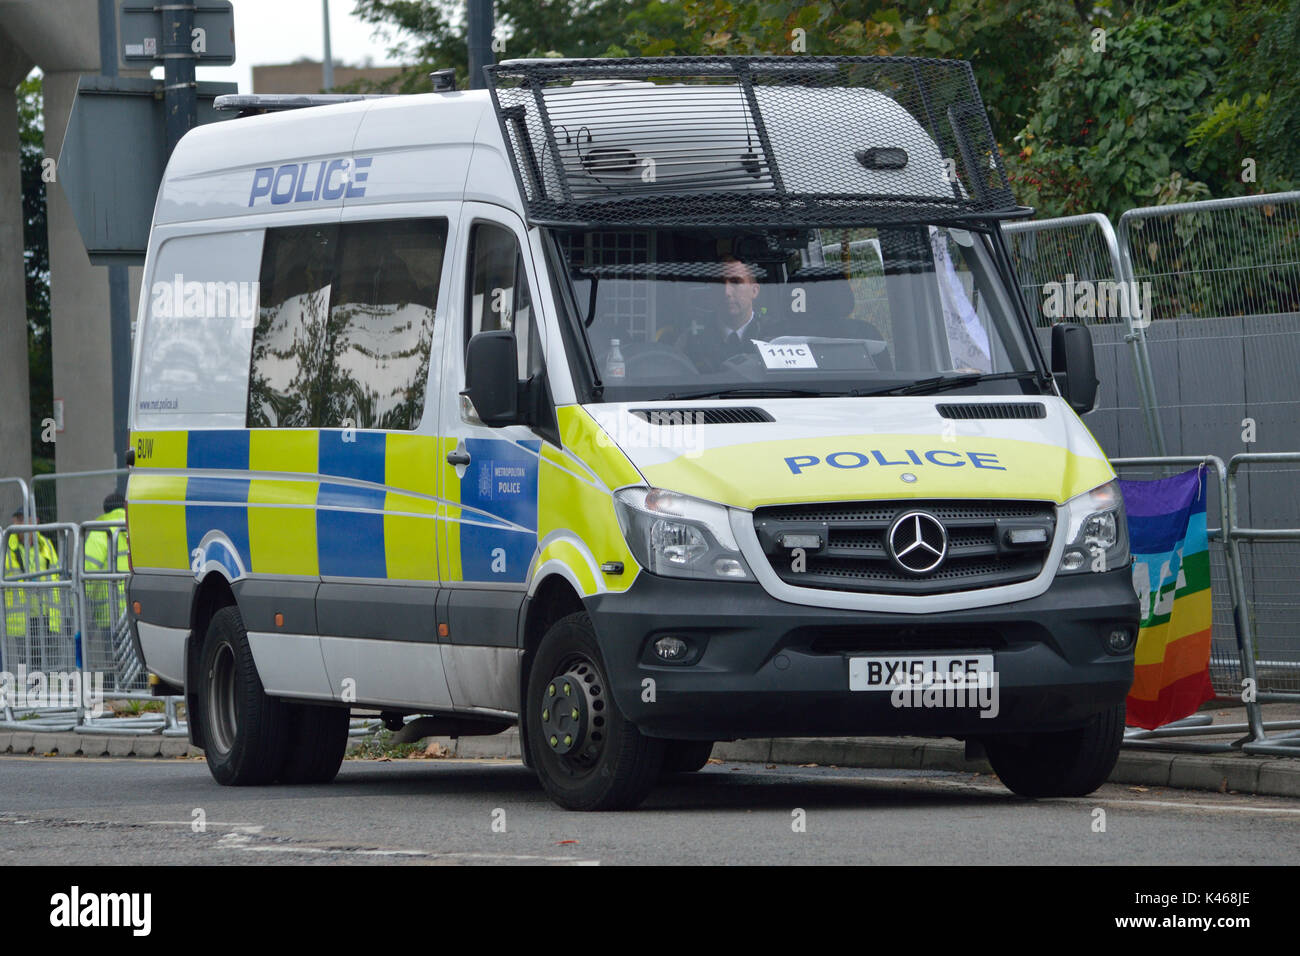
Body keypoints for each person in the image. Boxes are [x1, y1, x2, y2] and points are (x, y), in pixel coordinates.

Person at [679, 256, 779, 371]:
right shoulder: (690, 340)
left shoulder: (775, 337)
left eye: (736, 282)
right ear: (711, 292)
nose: (726, 292)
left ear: (754, 291)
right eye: (719, 283)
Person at [3, 508, 59, 672]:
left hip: (46, 611)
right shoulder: (7, 546)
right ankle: (27, 692)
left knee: (48, 657)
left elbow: (57, 574)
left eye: (22, 519)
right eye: (16, 520)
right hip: (22, 614)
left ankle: (46, 691)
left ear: (35, 521)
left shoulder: (46, 544)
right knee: (26, 659)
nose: (18, 524)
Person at [83, 493, 129, 637]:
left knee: (111, 657)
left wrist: (85, 601)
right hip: (134, 608)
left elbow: (88, 571)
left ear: (105, 510)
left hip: (108, 610)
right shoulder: (134, 526)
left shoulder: (99, 531)